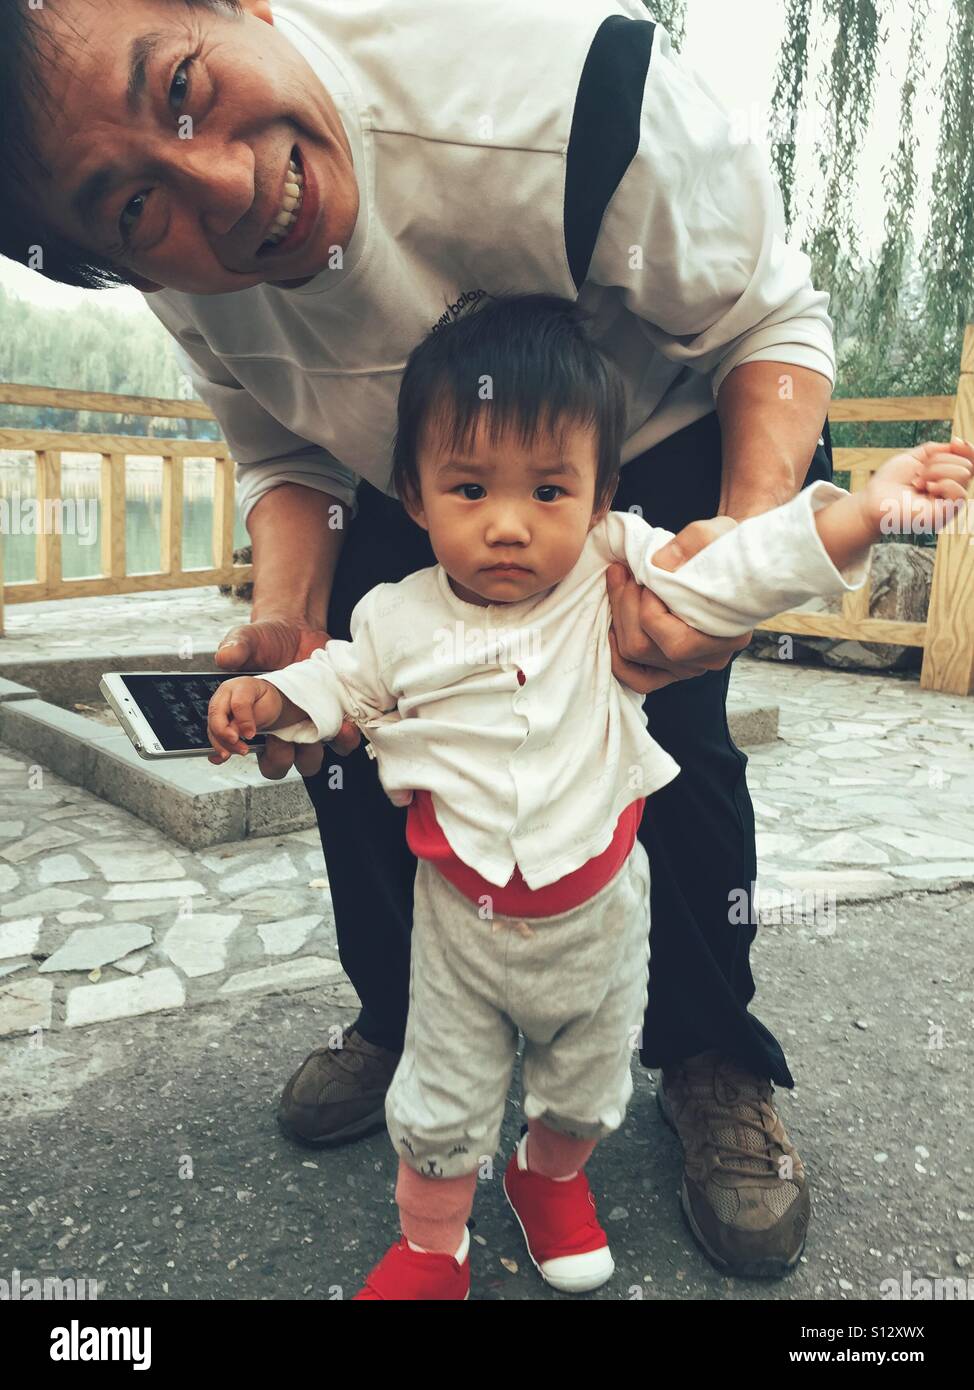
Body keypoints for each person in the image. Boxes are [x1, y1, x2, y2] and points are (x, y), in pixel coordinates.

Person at [4, 0, 844, 1274]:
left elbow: (767, 323)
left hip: (638, 443)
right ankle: (408, 1018)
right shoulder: (179, 275)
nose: (223, 188)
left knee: (658, 736)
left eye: (182, 81)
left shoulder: (572, 91)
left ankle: (710, 1052)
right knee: (364, 718)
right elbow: (282, 443)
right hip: (403, 474)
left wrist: (733, 544)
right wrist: (284, 619)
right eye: (126, 208)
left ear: (237, 5)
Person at [207, 294, 974, 1299]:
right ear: (411, 492)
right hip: (460, 920)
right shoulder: (394, 614)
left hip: (599, 917)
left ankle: (544, 1177)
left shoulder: (618, 568)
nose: (510, 525)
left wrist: (861, 511)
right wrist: (271, 695)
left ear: (602, 492)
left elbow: (739, 567)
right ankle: (431, 1249)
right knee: (440, 1097)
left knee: (582, 1087)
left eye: (550, 489)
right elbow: (339, 678)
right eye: (469, 487)